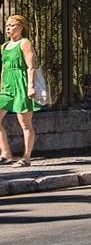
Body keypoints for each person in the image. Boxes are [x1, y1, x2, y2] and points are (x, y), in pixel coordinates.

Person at [0, 14, 40, 166]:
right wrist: (1, 86)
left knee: (25, 124)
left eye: (12, 25)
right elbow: (4, 68)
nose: (8, 28)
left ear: (21, 27)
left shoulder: (25, 43)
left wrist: (31, 86)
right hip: (7, 87)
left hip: (21, 85)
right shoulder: (4, 46)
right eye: (7, 25)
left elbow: (31, 66)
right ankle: (5, 154)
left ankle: (26, 158)